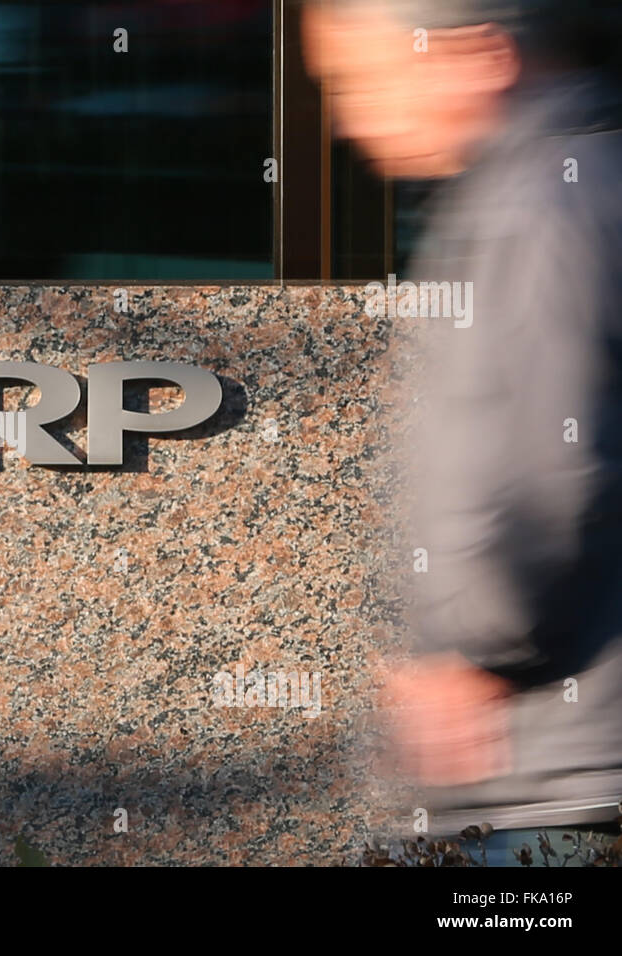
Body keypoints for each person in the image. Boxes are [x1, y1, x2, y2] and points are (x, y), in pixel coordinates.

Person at [302, 0, 622, 864]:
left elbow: (547, 457)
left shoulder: (542, 199)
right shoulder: (552, 182)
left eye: (364, 79)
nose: (348, 116)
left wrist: (474, 655)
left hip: (557, 758)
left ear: (480, 55)